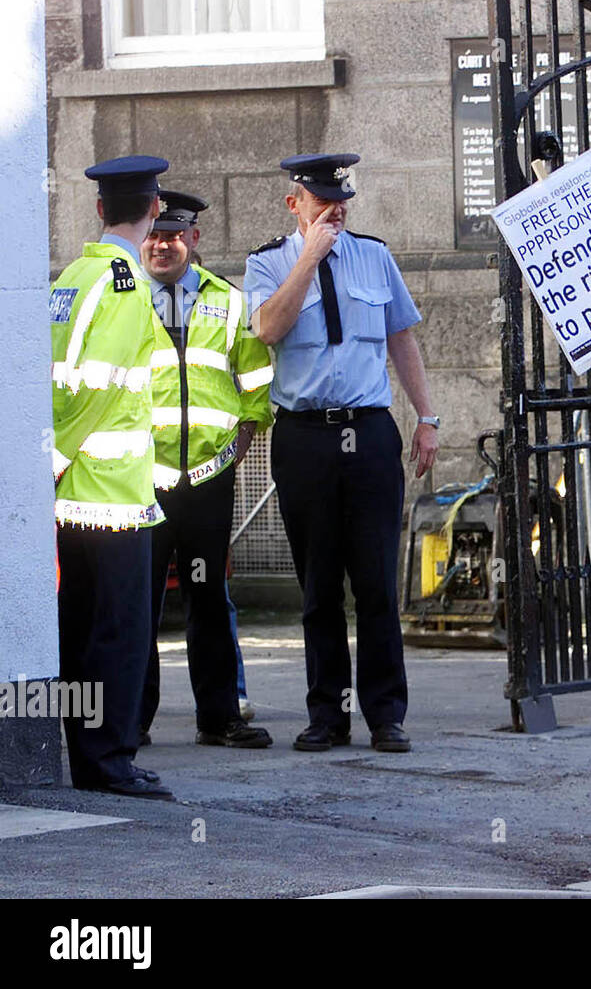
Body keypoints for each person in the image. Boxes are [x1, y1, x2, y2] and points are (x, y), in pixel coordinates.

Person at [244, 153, 439, 754]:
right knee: (319, 584)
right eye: (321, 199)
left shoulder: (375, 257)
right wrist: (308, 259)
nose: (335, 208)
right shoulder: (266, 262)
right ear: (294, 204)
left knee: (376, 580)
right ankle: (327, 714)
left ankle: (386, 715)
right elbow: (268, 329)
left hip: (369, 431)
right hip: (305, 435)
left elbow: (400, 336)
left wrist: (426, 416)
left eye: (342, 199)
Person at [50, 155, 174, 799]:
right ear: (154, 211)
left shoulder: (74, 276)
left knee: (80, 632)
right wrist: (57, 457)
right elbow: (99, 387)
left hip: (75, 497)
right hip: (115, 493)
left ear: (99, 210)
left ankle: (88, 754)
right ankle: (109, 762)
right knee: (121, 636)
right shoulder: (127, 284)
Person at [137, 190, 274, 750]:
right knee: (137, 600)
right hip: (138, 480)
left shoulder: (230, 301)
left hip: (207, 480)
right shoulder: (120, 300)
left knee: (207, 597)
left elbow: (256, 379)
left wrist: (242, 438)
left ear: (194, 239)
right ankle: (129, 721)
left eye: (173, 235)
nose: (162, 244)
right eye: (153, 233)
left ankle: (218, 718)